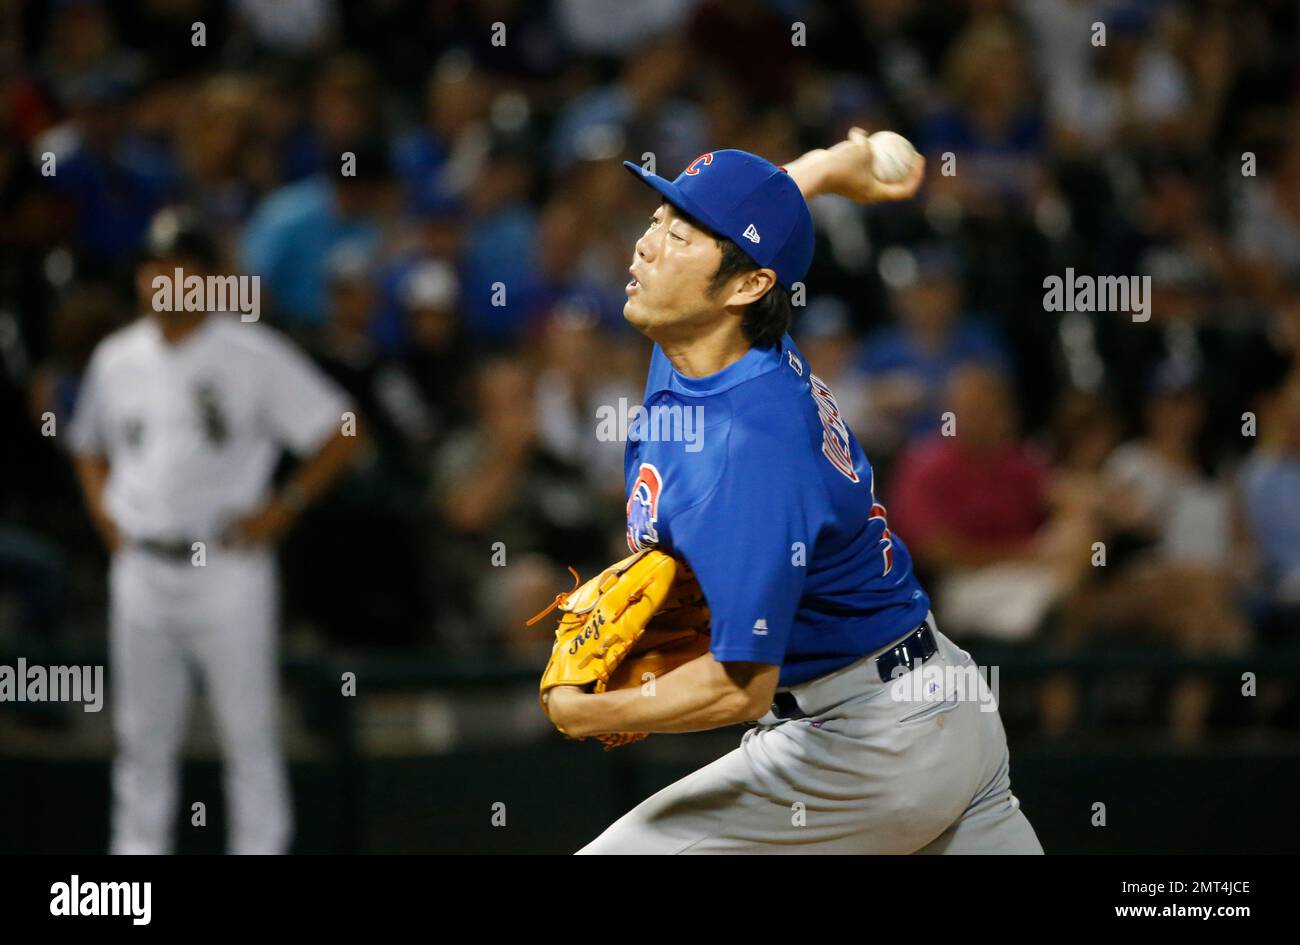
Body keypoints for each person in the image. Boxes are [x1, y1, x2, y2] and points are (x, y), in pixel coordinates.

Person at [542, 133, 1043, 853]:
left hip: (863, 746)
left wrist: (584, 712)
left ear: (746, 286)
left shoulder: (746, 448)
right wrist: (829, 168)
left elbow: (739, 686)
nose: (647, 245)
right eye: (657, 220)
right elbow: (759, 212)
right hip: (937, 706)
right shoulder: (719, 337)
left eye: (678, 236)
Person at [67, 208, 361, 854]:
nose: (165, 280)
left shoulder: (248, 352)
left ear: (207, 278)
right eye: (154, 267)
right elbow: (85, 442)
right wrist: (106, 515)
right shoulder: (117, 358)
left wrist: (282, 506)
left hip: (227, 567)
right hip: (141, 566)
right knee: (141, 741)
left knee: (248, 737)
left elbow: (341, 429)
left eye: (181, 267)